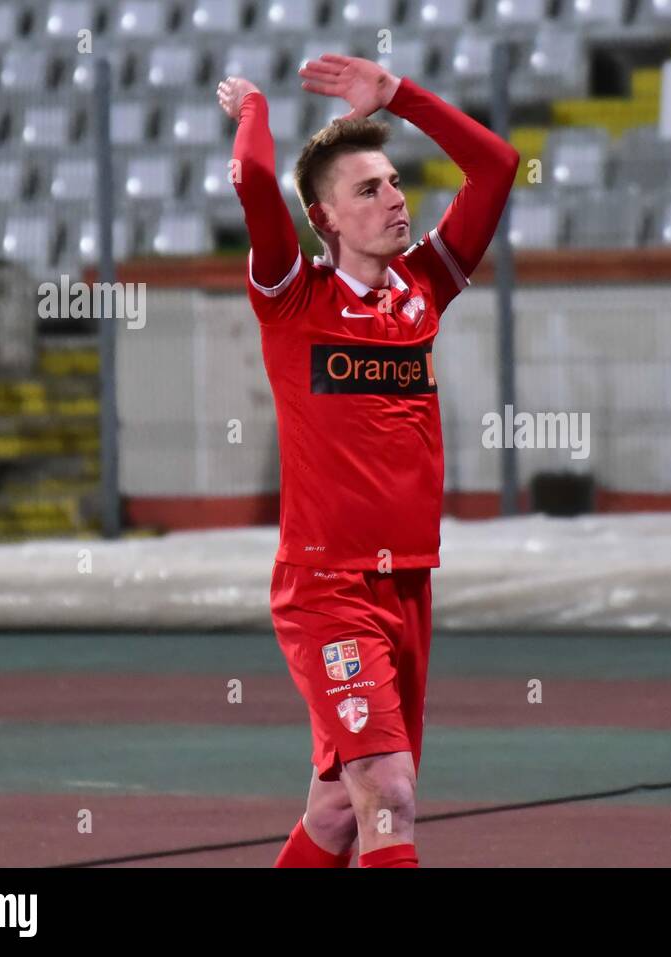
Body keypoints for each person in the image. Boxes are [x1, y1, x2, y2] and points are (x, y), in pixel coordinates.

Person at [217, 54, 519, 868]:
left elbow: (495, 165)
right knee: (388, 791)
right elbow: (251, 177)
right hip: (326, 588)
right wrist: (252, 107)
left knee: (338, 812)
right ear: (325, 219)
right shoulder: (293, 297)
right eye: (368, 189)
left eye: (394, 182)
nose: (395, 199)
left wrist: (398, 98)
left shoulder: (424, 286)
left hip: (409, 581)